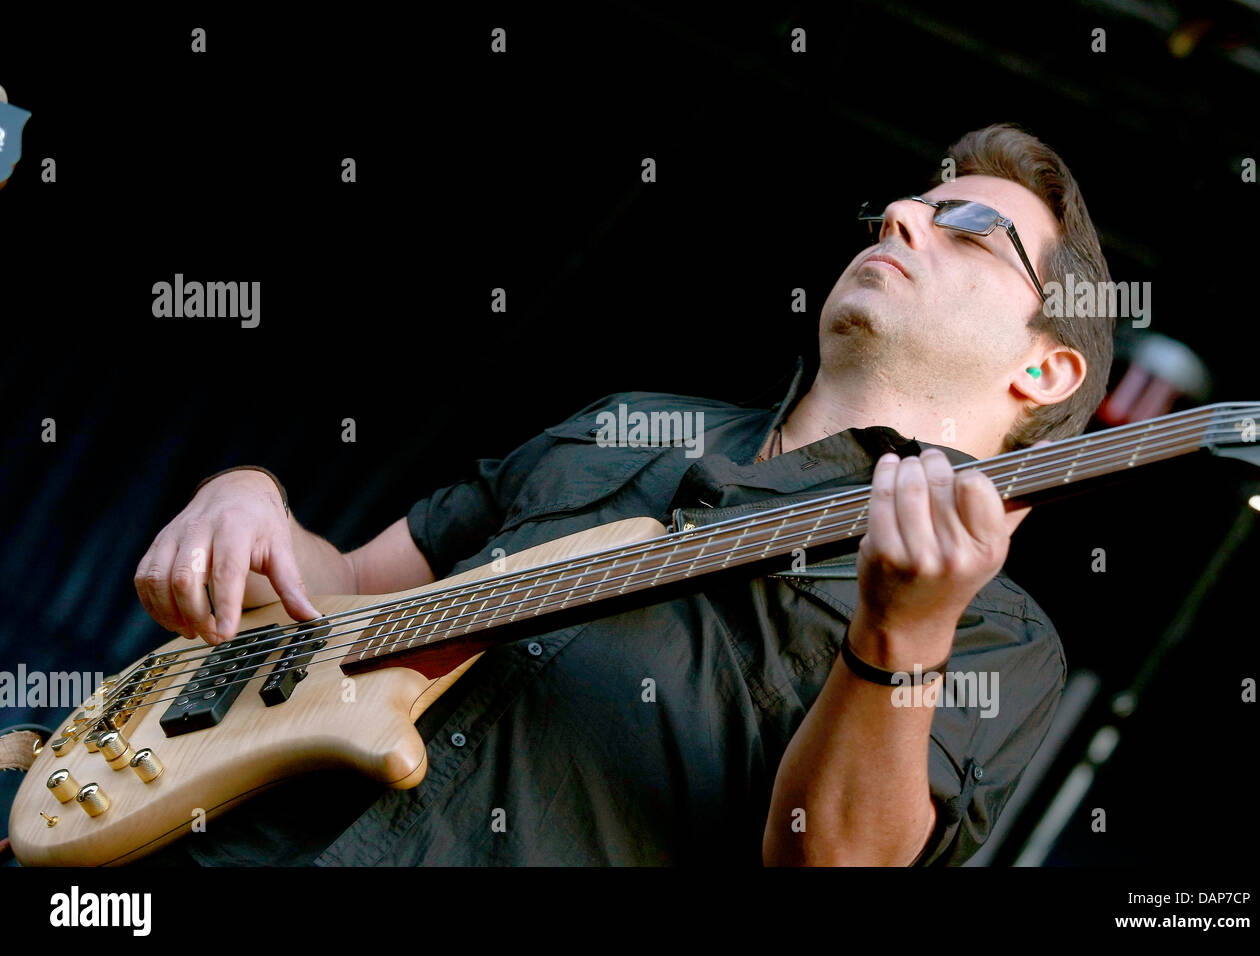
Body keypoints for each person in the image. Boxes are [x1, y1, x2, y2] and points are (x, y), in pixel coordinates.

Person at [133, 123, 1113, 866]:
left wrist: (901, 640)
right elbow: (340, 586)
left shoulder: (995, 635)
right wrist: (246, 496)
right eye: (905, 205)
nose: (902, 218)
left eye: (971, 228)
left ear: (1047, 370)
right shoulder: (627, 422)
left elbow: (831, 862)